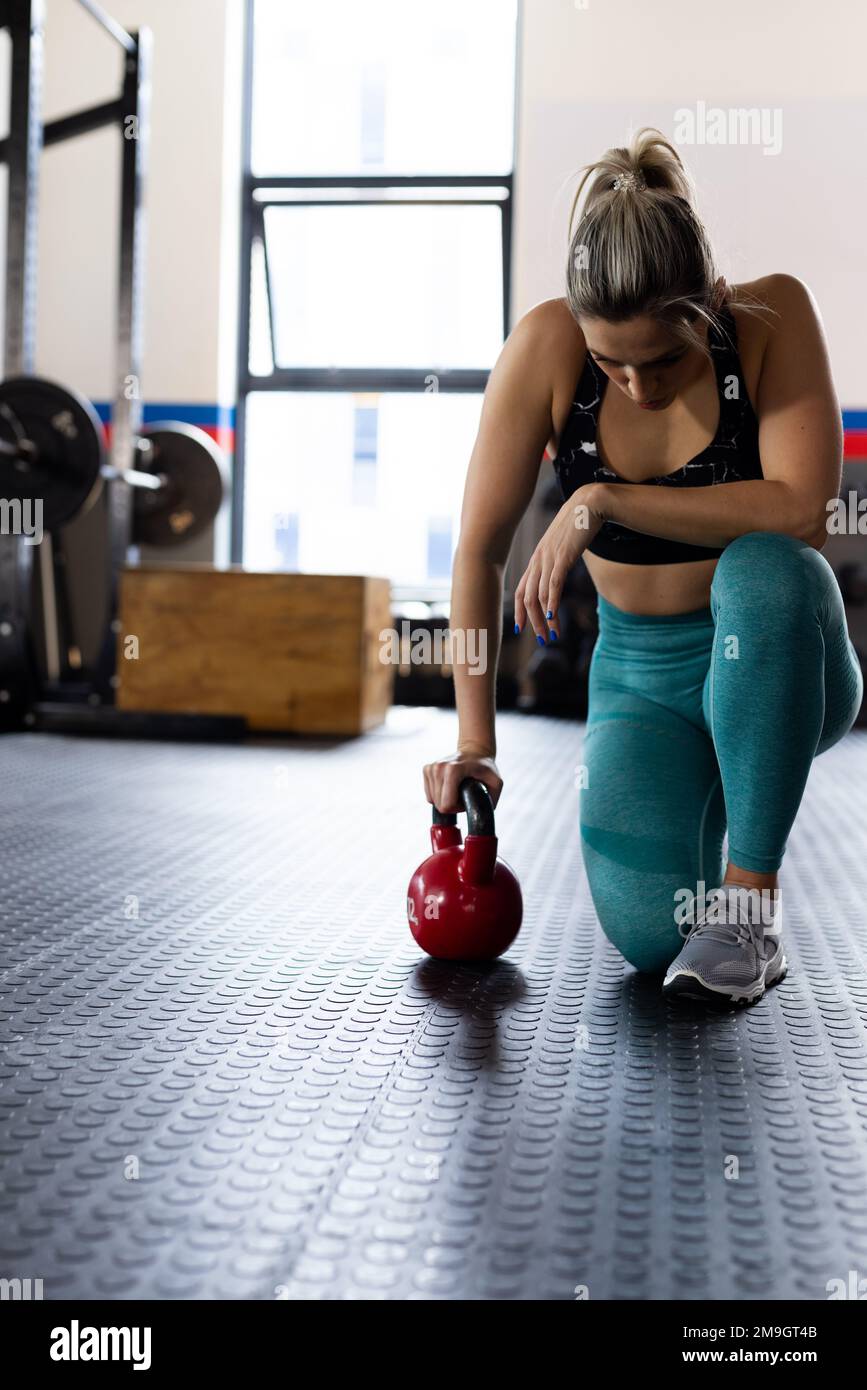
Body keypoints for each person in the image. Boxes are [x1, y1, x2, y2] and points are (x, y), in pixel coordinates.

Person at [423, 127, 863, 1005]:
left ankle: (750, 904)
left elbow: (800, 513)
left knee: (765, 571)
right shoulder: (543, 348)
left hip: (781, 652)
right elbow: (476, 551)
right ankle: (706, 854)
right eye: (608, 363)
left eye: (663, 358)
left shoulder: (771, 320)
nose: (635, 384)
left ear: (710, 304)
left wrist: (602, 500)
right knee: (653, 939)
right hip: (639, 675)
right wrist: (474, 740)